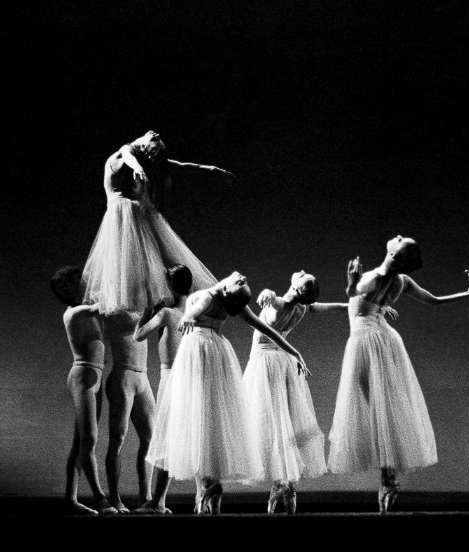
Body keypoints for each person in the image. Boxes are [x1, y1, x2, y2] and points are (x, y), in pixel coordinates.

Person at [328, 236, 469, 513]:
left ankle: (388, 477)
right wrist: (467, 293)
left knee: (373, 408)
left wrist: (351, 283)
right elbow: (432, 301)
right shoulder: (402, 282)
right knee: (382, 408)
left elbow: (356, 291)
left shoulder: (377, 275)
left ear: (395, 255)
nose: (397, 236)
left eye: (401, 241)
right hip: (384, 336)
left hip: (365, 340)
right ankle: (388, 477)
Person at [146, 272, 307, 515]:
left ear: (227, 291)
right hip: (218, 352)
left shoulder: (211, 296)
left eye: (242, 281)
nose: (242, 276)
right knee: (210, 417)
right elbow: (266, 329)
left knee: (194, 416)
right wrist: (294, 352)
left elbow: (199, 306)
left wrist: (189, 315)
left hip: (197, 350)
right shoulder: (231, 304)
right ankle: (209, 485)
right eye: (243, 280)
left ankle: (208, 485)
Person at [246, 271, 398, 514]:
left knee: (271, 421)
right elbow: (338, 306)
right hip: (284, 362)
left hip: (266, 362)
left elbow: (274, 298)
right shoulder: (303, 309)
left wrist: (267, 293)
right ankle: (283, 484)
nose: (297, 289)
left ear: (299, 291)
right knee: (284, 420)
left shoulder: (285, 303)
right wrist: (374, 307)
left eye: (301, 289)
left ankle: (282, 483)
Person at [82, 131, 236, 315]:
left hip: (128, 211)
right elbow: (129, 157)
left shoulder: (138, 157)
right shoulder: (127, 151)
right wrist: (138, 168)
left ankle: (162, 303)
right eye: (151, 148)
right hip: (125, 211)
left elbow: (180, 165)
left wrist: (210, 168)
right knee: (133, 262)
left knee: (141, 261)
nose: (150, 157)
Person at [51, 266, 117, 515]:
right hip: (83, 377)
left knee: (80, 442)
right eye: (80, 282)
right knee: (89, 439)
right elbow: (101, 307)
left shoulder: (83, 308)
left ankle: (70, 498)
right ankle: (100, 499)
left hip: (93, 376)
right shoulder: (74, 313)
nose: (85, 284)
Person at [131, 264, 192, 515]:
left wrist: (147, 310)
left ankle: (157, 502)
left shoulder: (167, 313)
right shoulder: (195, 309)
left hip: (171, 377)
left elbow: (138, 335)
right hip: (190, 376)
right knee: (178, 437)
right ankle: (161, 500)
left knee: (167, 438)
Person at [103, 310, 155, 513]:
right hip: (123, 375)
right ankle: (115, 498)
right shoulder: (113, 308)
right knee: (118, 439)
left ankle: (147, 497)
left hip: (142, 376)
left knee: (150, 439)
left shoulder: (141, 305)